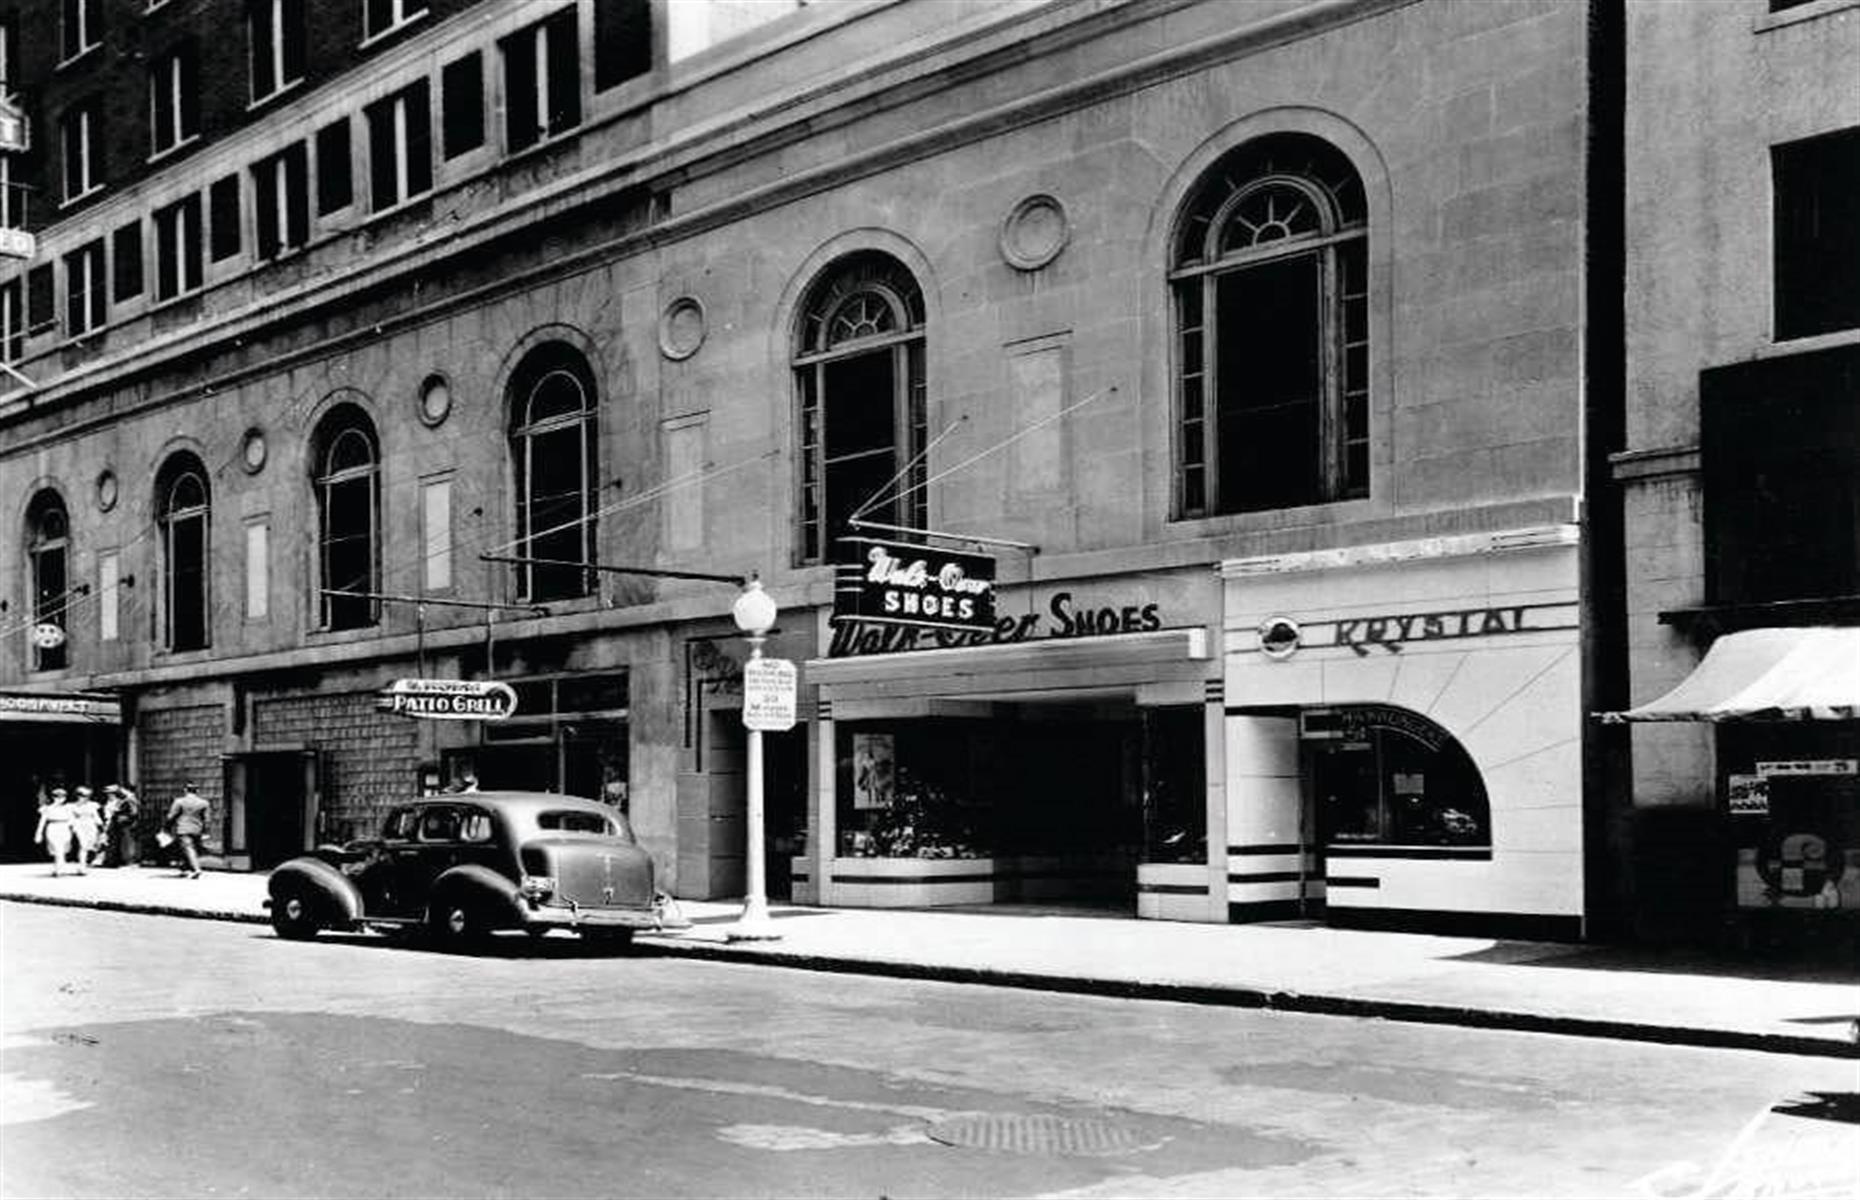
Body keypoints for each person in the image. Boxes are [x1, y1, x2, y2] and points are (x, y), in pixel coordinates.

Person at [164, 781, 210, 879]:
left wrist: (167, 827)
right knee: (188, 848)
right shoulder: (204, 803)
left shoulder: (179, 802)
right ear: (197, 791)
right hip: (197, 829)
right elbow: (207, 819)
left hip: (183, 828)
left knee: (188, 849)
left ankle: (196, 869)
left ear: (185, 790)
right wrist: (206, 831)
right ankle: (185, 869)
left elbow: (171, 816)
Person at [34, 786, 78, 876]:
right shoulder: (47, 808)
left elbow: (72, 819)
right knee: (56, 847)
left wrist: (75, 828)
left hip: (64, 827)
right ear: (53, 797)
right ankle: (59, 867)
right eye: (57, 797)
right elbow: (42, 821)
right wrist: (39, 833)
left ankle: (59, 867)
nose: (60, 799)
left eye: (62, 797)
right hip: (53, 827)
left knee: (61, 848)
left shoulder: (68, 808)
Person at [99, 784, 142, 867]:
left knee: (127, 843)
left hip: (126, 825)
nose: (109, 795)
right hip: (117, 824)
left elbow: (133, 813)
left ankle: (128, 861)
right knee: (115, 842)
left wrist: (122, 817)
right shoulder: (119, 802)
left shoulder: (128, 801)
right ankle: (113, 860)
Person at [68, 786, 102, 876]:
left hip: (91, 826)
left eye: (87, 796)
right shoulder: (72, 806)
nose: (85, 798)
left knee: (90, 846)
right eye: (82, 795)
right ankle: (82, 866)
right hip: (80, 826)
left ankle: (86, 863)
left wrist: (100, 825)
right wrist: (72, 827)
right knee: (83, 845)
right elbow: (71, 818)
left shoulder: (92, 805)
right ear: (77, 796)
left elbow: (95, 816)